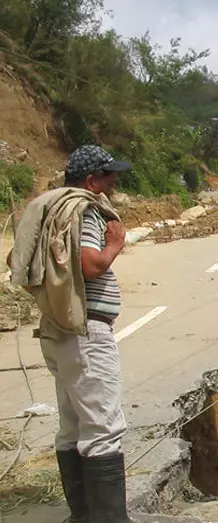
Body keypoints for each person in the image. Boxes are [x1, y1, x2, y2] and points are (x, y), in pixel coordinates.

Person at [8, 145, 133, 522]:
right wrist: (115, 245)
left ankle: (82, 515)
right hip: (86, 332)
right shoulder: (85, 209)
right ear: (91, 179)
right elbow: (90, 264)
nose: (113, 183)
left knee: (73, 425)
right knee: (104, 426)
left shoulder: (49, 209)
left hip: (58, 328)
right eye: (108, 176)